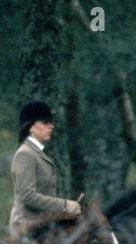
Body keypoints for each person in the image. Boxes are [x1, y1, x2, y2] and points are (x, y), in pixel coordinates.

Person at [8, 100, 81, 234]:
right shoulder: (25, 154)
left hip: (43, 226)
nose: (51, 126)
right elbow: (28, 196)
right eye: (45, 123)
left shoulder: (38, 154)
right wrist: (64, 205)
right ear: (31, 127)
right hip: (27, 228)